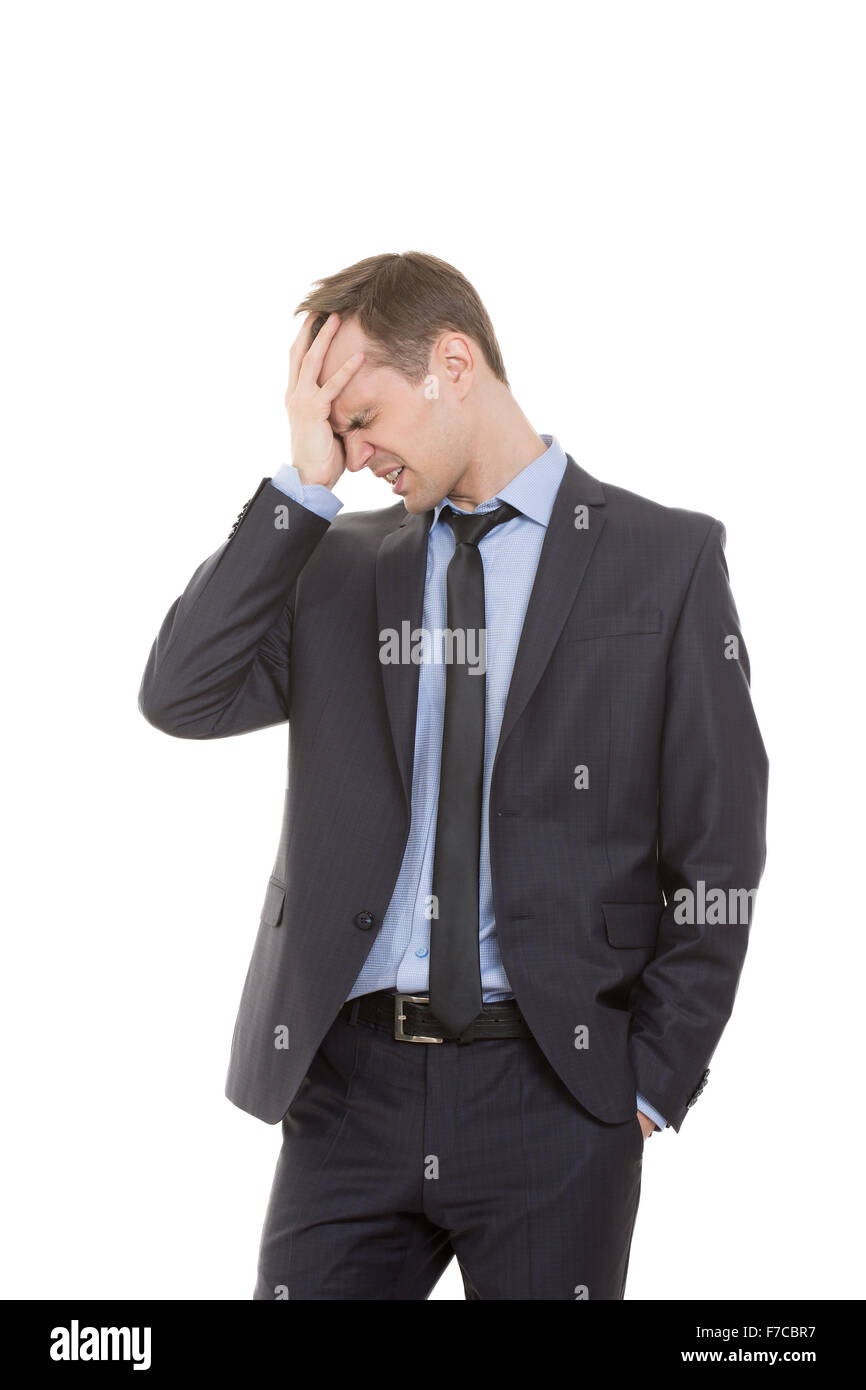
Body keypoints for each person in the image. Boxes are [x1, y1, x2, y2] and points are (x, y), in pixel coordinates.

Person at [139, 251, 769, 1300]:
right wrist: (301, 485)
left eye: (361, 418)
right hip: (348, 1091)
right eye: (335, 432)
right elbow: (181, 694)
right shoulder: (336, 564)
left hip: (555, 1093)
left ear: (453, 363)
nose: (356, 454)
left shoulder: (665, 559)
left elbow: (719, 844)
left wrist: (649, 1086)